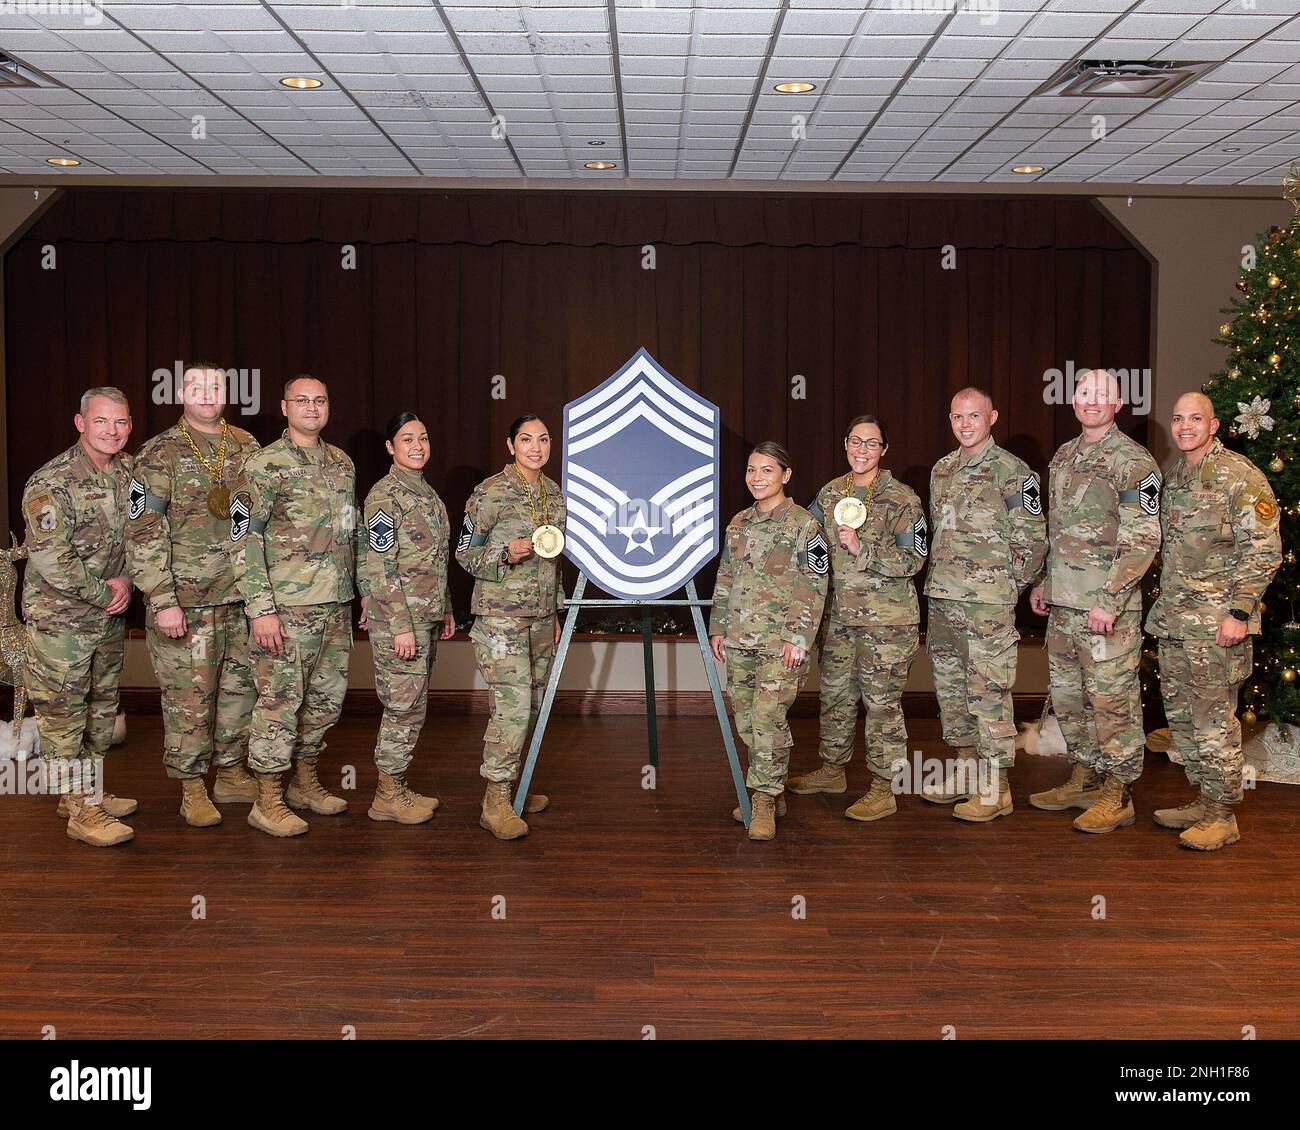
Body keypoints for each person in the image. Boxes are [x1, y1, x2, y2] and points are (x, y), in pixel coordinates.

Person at [126, 361, 260, 827]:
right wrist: (162, 600)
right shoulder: (157, 454)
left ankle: (230, 772)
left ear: (227, 393)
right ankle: (191, 785)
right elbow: (142, 530)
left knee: (240, 691)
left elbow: (260, 522)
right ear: (180, 393)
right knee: (190, 698)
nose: (207, 394)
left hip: (242, 597)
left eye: (216, 387)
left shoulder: (246, 445)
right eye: (197, 387)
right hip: (185, 602)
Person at [1146, 391, 1281, 850]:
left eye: (1195, 419)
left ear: (1214, 425)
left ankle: (1223, 815)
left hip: (1218, 624)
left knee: (1215, 722)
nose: (1185, 426)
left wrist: (1240, 612)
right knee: (1183, 720)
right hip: (1175, 623)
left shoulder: (1240, 476)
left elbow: (1263, 550)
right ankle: (1203, 800)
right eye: (1178, 418)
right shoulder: (1176, 476)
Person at [1029, 369, 1161, 832]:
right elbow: (1057, 529)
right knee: (1069, 699)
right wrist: (1045, 581)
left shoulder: (1134, 461)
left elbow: (1143, 537)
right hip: (1064, 603)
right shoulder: (1065, 455)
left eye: (1103, 394)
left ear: (1119, 403)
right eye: (1085, 393)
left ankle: (1118, 791)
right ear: (1073, 400)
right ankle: (1085, 776)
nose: (1092, 401)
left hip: (1107, 609)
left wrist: (1110, 598)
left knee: (1111, 701)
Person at [230, 374, 356, 837]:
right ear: (284, 408)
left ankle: (304, 782)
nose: (311, 408)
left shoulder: (341, 463)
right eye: (301, 401)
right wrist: (260, 608)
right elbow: (243, 539)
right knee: (280, 705)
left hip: (335, 604)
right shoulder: (264, 466)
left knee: (325, 704)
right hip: (286, 608)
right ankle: (267, 799)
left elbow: (350, 535)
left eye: (319, 400)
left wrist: (358, 594)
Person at [786, 416, 927, 824]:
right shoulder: (831, 494)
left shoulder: (903, 499)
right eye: (854, 441)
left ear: (885, 449)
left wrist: (859, 548)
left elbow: (913, 559)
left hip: (887, 623)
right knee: (835, 697)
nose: (861, 450)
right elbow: (805, 537)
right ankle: (832, 771)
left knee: (881, 705)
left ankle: (884, 789)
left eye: (871, 443)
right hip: (839, 619)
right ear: (845, 444)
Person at [922, 388, 1047, 821]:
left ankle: (996, 789)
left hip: (987, 606)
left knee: (988, 695)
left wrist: (1006, 586)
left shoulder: (1013, 471)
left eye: (974, 416)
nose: (965, 424)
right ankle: (967, 772)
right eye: (957, 417)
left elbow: (1032, 538)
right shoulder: (942, 470)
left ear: (992, 417)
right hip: (942, 601)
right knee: (952, 695)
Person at [22, 386, 136, 847]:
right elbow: (51, 557)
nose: (113, 431)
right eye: (103, 421)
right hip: (61, 619)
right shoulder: (50, 482)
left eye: (122, 422)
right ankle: (79, 810)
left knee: (101, 709)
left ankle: (87, 792)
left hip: (108, 615)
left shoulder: (131, 472)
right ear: (80, 423)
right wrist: (103, 592)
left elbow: (144, 533)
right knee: (62, 714)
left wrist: (126, 581)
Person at [710, 441, 828, 841]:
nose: (757, 478)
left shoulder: (804, 525)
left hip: (781, 643)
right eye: (751, 470)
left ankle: (761, 798)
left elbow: (814, 582)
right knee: (747, 720)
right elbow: (725, 577)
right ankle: (773, 786)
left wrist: (799, 637)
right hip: (740, 639)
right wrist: (718, 627)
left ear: (786, 475)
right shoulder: (739, 522)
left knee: (766, 719)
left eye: (767, 470)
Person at [455, 414, 564, 840]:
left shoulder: (552, 493)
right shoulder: (490, 493)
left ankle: (517, 786)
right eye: (526, 439)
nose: (535, 447)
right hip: (500, 620)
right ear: (510, 445)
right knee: (513, 711)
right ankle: (495, 801)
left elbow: (554, 565)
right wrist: (504, 554)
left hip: (539, 619)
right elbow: (465, 554)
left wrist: (553, 612)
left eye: (543, 439)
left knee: (533, 708)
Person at [357, 412, 456, 825]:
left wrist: (446, 606)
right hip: (401, 623)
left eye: (423, 437)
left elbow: (432, 561)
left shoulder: (426, 493)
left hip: (425, 616)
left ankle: (396, 784)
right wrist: (400, 625)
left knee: (412, 707)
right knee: (402, 707)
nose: (417, 445)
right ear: (390, 447)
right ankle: (386, 795)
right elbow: (379, 567)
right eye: (407, 439)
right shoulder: (385, 495)